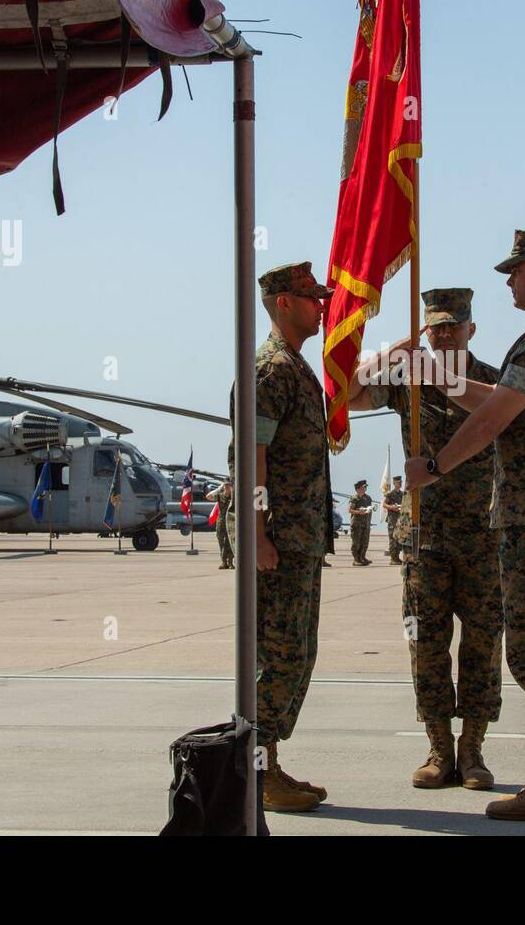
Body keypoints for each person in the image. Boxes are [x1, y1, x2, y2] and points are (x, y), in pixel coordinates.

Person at [405, 229, 525, 822]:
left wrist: (434, 466)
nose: (509, 280)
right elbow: (499, 400)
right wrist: (443, 380)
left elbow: (493, 420)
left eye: (517, 269)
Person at [349, 288, 503, 790]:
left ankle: (473, 749)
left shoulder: (494, 379)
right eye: (436, 327)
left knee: (482, 642)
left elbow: (508, 413)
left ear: (471, 329)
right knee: (426, 643)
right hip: (424, 536)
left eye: (453, 325)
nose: (445, 334)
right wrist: (395, 350)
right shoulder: (408, 381)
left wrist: (441, 377)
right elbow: (347, 393)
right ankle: (439, 747)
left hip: (483, 535)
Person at [235, 261, 334, 813]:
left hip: (299, 539)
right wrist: (257, 534)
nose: (321, 307)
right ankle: (256, 773)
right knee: (277, 657)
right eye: (312, 298)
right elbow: (252, 457)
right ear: (283, 303)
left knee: (295, 653)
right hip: (278, 539)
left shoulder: (294, 367)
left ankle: (267, 763)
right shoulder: (271, 370)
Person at [206, 479, 235, 569]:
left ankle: (230, 562)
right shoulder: (220, 495)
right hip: (221, 521)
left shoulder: (234, 496)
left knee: (229, 542)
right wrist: (218, 489)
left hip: (230, 521)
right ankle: (223, 562)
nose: (227, 487)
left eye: (228, 485)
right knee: (221, 541)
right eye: (225, 485)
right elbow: (208, 497)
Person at [348, 480, 374, 565]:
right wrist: (359, 512)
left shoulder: (368, 498)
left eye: (365, 487)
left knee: (365, 542)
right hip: (356, 524)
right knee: (356, 542)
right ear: (358, 489)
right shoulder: (354, 498)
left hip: (366, 523)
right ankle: (356, 559)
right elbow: (350, 510)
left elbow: (370, 508)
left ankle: (362, 557)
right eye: (363, 487)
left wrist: (370, 509)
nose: (365, 489)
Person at [383, 476, 406, 564]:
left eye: (401, 482)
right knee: (393, 539)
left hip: (400, 520)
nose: (400, 484)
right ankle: (393, 558)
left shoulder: (402, 494)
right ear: (394, 483)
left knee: (399, 539)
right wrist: (391, 507)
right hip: (392, 519)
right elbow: (384, 504)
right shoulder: (390, 494)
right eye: (398, 482)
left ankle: (397, 557)